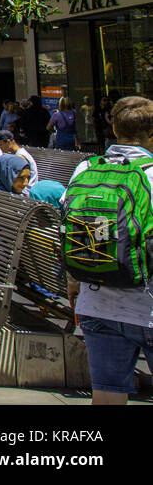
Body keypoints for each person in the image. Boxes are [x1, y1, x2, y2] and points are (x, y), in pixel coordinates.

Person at [65, 96, 153, 404]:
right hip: (148, 306)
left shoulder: (86, 169)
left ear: (113, 128)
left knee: (106, 397)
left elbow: (73, 231)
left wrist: (73, 283)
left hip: (96, 303)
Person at [0, 129, 39, 195]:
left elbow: (17, 179)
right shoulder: (16, 154)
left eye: (0, 144)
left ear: (8, 142)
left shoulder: (20, 156)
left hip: (25, 190)